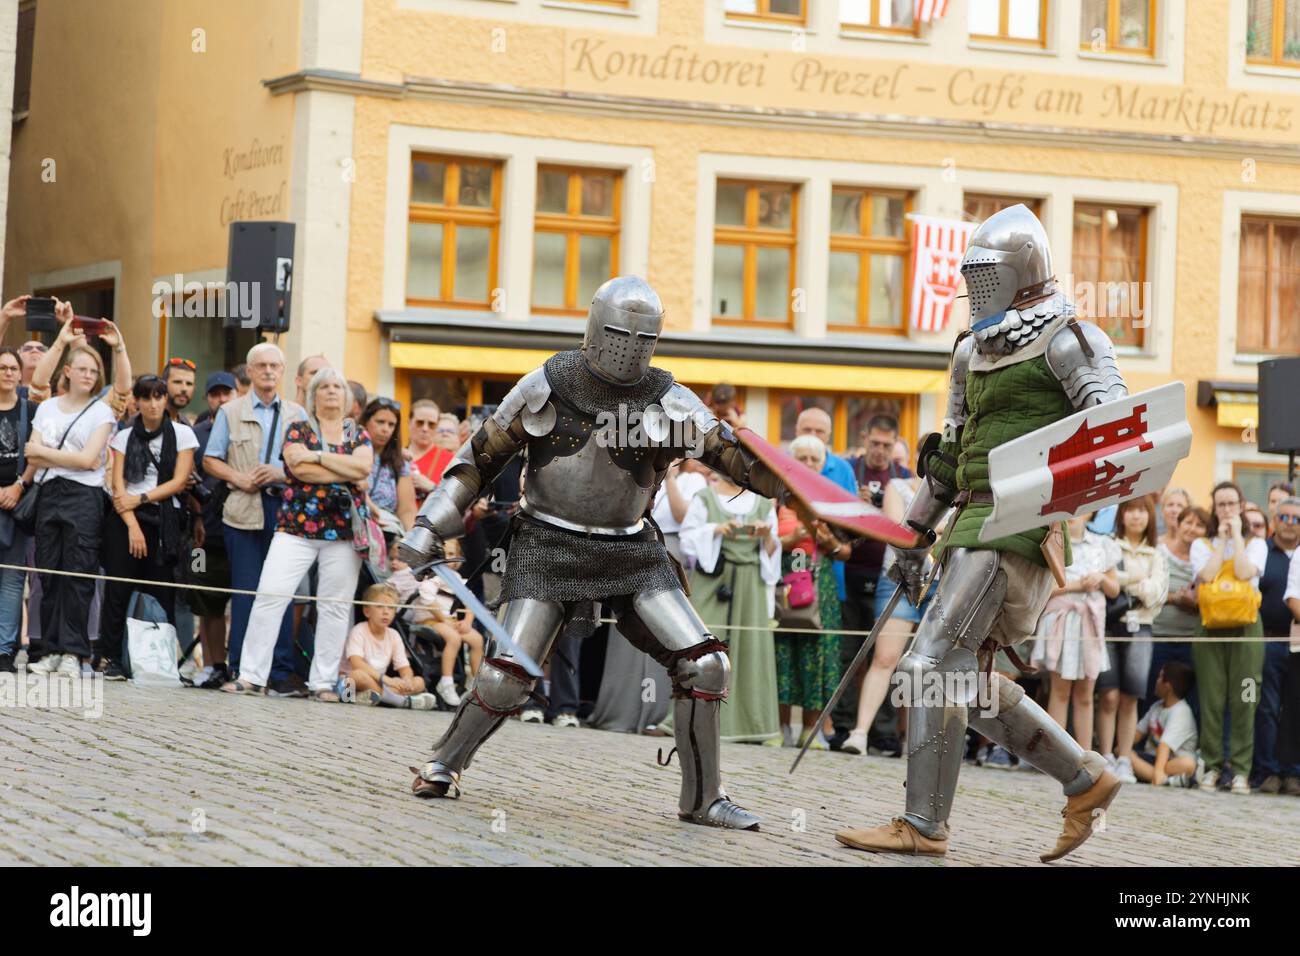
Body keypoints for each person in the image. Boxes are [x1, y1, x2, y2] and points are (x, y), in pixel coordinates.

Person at [399, 275, 799, 829]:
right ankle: (444, 763)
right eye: (618, 334)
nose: (627, 348)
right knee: (505, 676)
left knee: (706, 665)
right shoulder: (548, 384)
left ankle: (703, 798)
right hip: (547, 541)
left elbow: (730, 456)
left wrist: (790, 482)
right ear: (595, 327)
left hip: (632, 549)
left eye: (641, 339)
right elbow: (476, 460)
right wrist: (427, 526)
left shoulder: (668, 398)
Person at [835, 204, 1140, 862]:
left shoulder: (1072, 339)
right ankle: (1086, 779)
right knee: (961, 685)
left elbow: (1114, 432)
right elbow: (953, 453)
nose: (976, 288)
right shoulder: (973, 348)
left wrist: (1056, 501)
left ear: (1020, 271)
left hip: (1019, 527)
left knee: (923, 668)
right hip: (969, 527)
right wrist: (914, 535)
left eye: (985, 274)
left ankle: (923, 825)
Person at [221, 367, 371, 700]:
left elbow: (363, 467)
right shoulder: (298, 428)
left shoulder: (357, 433)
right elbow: (296, 467)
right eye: (325, 386)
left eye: (338, 386)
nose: (332, 391)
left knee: (335, 606)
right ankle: (251, 675)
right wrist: (340, 469)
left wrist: (317, 457)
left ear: (346, 397)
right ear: (314, 394)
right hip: (295, 527)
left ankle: (322, 682)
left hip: (344, 531)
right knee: (271, 595)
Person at [203, 343, 306, 696]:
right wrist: (237, 477)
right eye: (260, 365)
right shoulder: (230, 411)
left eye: (274, 365)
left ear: (282, 370)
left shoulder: (297, 414)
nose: (267, 371)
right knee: (245, 592)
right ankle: (242, 670)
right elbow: (210, 459)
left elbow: (307, 465)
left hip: (285, 511)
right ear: (248, 371)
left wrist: (280, 473)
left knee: (281, 593)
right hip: (243, 509)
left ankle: (279, 673)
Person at [23, 333, 117, 677]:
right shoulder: (47, 406)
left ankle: (74, 652)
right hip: (49, 494)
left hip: (84, 497)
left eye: (95, 370)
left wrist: (48, 454)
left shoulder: (102, 410)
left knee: (78, 574)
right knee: (48, 574)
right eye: (83, 369)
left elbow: (90, 460)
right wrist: (62, 457)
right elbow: (30, 451)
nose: (89, 375)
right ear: (68, 371)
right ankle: (49, 648)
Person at [665, 471, 781, 744]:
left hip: (750, 583)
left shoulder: (764, 503)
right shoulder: (705, 497)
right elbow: (688, 537)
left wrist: (765, 536)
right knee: (703, 646)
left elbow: (773, 550)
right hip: (713, 580)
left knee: (750, 648)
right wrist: (716, 531)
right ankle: (691, 716)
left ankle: (752, 724)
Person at [97, 375, 198, 679]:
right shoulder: (124, 437)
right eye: (146, 398)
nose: (153, 404)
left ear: (165, 400)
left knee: (164, 592)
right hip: (125, 519)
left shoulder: (182, 434)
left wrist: (139, 499)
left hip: (164, 519)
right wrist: (132, 525)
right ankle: (110, 658)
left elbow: (179, 481)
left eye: (158, 397)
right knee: (117, 589)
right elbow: (117, 488)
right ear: (136, 402)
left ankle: (164, 661)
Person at [840, 414, 913, 753]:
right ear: (864, 438)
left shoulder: (903, 479)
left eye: (887, 445)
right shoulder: (848, 472)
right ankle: (844, 726)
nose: (881, 451)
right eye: (875, 444)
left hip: (887, 574)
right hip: (851, 572)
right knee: (848, 655)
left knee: (887, 657)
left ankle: (883, 731)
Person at [1191, 480, 1268, 795]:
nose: (1226, 510)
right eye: (1220, 504)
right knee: (1211, 697)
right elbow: (1206, 576)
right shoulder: (1202, 544)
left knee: (1246, 697)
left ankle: (1240, 771)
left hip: (1247, 628)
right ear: (1214, 507)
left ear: (1240, 505)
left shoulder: (1256, 543)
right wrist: (1221, 540)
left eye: (1231, 504)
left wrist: (1236, 535)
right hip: (1210, 626)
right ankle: (1210, 766)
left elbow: (1246, 571)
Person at [774, 435, 843, 750]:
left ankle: (811, 729)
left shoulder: (830, 499)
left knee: (819, 651)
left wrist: (826, 540)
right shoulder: (776, 495)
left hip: (821, 578)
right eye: (802, 458)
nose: (809, 464)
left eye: (815, 459)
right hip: (785, 573)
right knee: (783, 649)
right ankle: (781, 727)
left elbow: (845, 552)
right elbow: (766, 540)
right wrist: (795, 536)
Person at [1096, 495, 1167, 784]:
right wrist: (1139, 583)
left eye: (1142, 511)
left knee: (1130, 697)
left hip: (1142, 628)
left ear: (1150, 516)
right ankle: (1104, 755)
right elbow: (1105, 581)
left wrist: (1126, 580)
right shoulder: (1109, 544)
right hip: (1109, 625)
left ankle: (1125, 757)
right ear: (1121, 514)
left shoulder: (1156, 551)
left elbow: (1157, 593)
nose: (1136, 516)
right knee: (1108, 695)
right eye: (1131, 510)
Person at [1033, 513, 1119, 748]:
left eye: (1080, 510)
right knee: (1059, 691)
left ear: (1091, 512)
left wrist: (1100, 578)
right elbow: (1045, 588)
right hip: (1062, 621)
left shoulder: (1102, 544)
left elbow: (1114, 589)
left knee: (1085, 693)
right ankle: (1055, 753)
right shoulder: (1054, 542)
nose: (1073, 516)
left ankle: (1085, 755)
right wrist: (1078, 586)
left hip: (1090, 624)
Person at [186, 372, 239, 688]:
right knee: (201, 597)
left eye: (226, 394)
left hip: (237, 528)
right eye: (215, 394)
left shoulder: (243, 430)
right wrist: (196, 519)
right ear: (207, 398)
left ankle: (227, 663)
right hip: (200, 535)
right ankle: (210, 664)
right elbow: (189, 479)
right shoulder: (198, 434)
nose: (221, 400)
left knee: (234, 598)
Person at [1253, 495, 1300, 792]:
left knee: (1295, 708)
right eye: (1285, 517)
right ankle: (1267, 770)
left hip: (1296, 643)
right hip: (1268, 640)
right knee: (1266, 708)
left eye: (1296, 519)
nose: (1290, 524)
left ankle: (1293, 770)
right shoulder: (1262, 552)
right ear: (1274, 521)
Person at [1149, 504, 1210, 708]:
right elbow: (1150, 590)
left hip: (1191, 639)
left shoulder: (1207, 559)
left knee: (1190, 698)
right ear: (1179, 524)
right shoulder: (1159, 552)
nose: (1192, 528)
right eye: (1188, 522)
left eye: (1199, 525)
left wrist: (1194, 602)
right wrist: (1176, 598)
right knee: (1154, 693)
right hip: (1159, 636)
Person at [340, 583, 436, 709]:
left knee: (419, 682)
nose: (385, 612)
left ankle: (377, 697)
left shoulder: (394, 635)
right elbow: (356, 663)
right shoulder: (359, 631)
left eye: (391, 608)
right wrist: (386, 680)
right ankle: (401, 700)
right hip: (350, 684)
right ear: (367, 611)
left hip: (379, 684)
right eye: (380, 606)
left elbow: (404, 667)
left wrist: (406, 680)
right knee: (357, 676)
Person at [0, 347, 36, 673]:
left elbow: (38, 456)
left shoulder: (31, 410)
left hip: (18, 505)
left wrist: (19, 485)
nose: (8, 373)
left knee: (13, 580)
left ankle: (4, 651)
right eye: (2, 367)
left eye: (13, 368)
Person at [1129, 661, 1198, 787]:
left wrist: (1159, 771)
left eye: (1160, 677)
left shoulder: (1181, 711)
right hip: (1152, 759)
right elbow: (1135, 736)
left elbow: (1164, 746)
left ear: (1168, 686)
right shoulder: (1156, 707)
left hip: (1172, 761)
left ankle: (1154, 776)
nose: (1157, 681)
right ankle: (1167, 781)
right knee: (1124, 753)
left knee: (1188, 764)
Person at [359, 398, 416, 534]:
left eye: (391, 425)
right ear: (366, 421)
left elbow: (407, 511)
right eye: (380, 422)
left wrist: (411, 541)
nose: (385, 429)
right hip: (352, 528)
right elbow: (346, 423)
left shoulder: (399, 463)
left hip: (385, 533)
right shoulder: (349, 450)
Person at [406, 399, 452, 502]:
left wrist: (432, 487)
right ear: (409, 422)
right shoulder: (396, 456)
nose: (425, 428)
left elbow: (455, 501)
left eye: (431, 424)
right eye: (420, 423)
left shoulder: (449, 460)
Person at [162, 357, 197, 424]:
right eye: (177, 382)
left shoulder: (186, 424)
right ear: (163, 384)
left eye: (189, 384)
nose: (184, 389)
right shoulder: (146, 421)